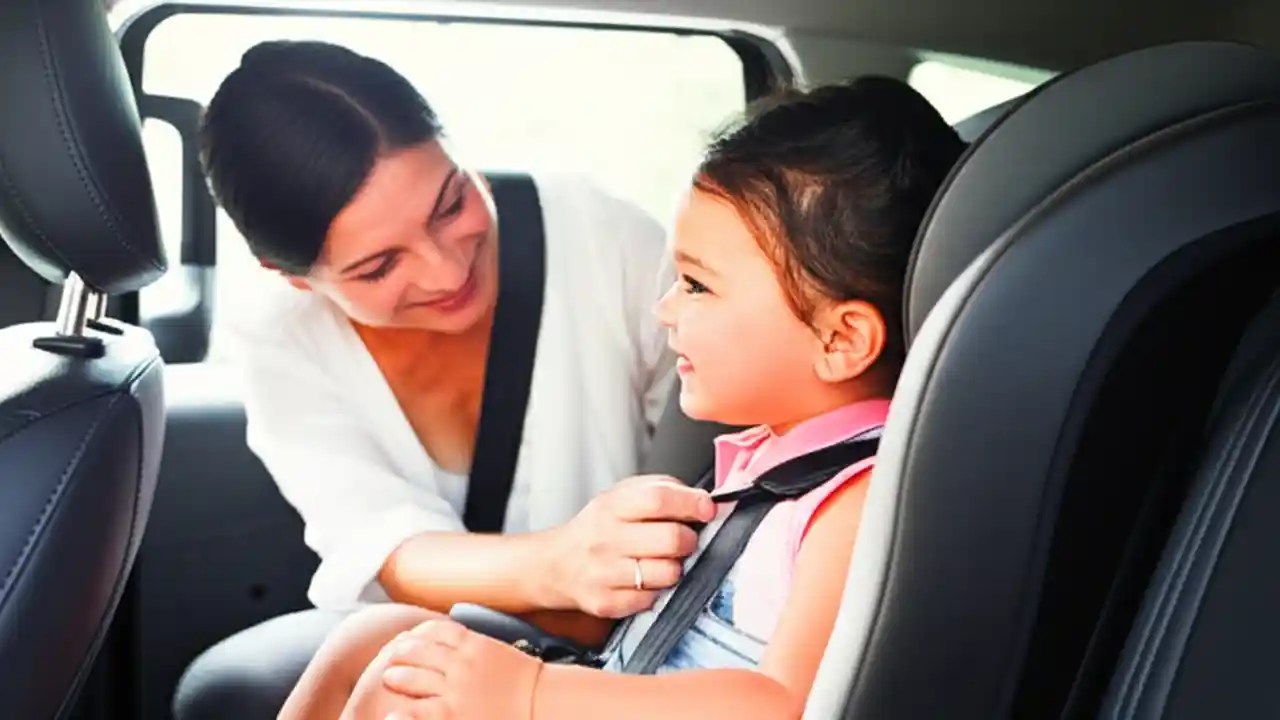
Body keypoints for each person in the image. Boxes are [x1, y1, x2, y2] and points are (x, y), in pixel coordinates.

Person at [275, 76, 967, 719]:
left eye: (696, 286)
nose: (665, 309)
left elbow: (781, 706)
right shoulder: (769, 460)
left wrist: (533, 691)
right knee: (379, 641)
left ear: (841, 340)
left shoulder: (856, 499)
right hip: (622, 678)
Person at [173, 40, 722, 720]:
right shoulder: (281, 337)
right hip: (458, 633)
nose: (447, 271)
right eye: (379, 267)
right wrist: (560, 565)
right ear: (293, 277)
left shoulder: (604, 238)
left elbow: (718, 446)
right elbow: (383, 546)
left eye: (451, 204)